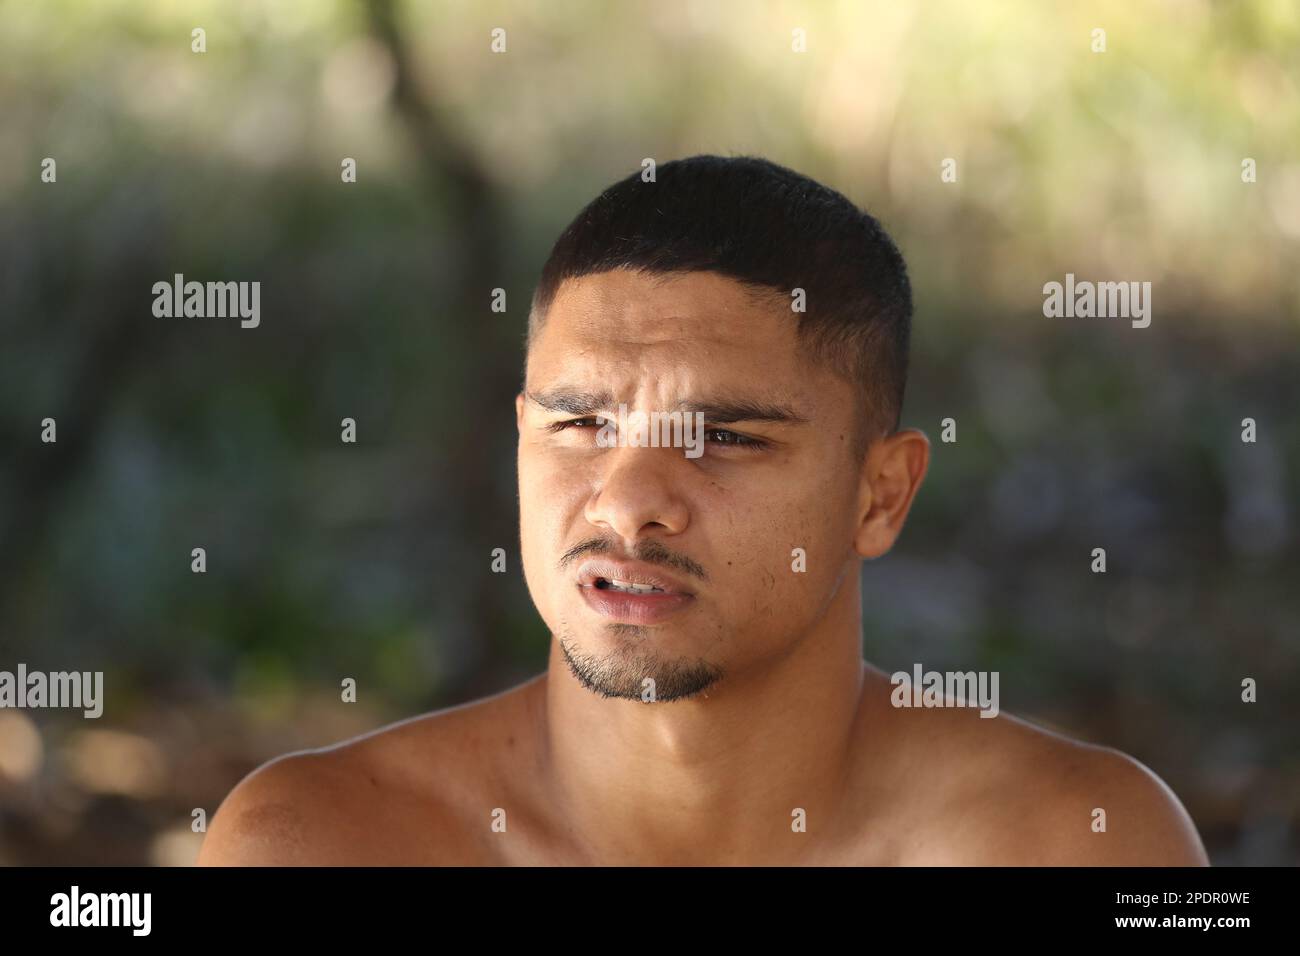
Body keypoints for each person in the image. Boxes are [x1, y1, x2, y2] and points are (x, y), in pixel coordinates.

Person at [198, 155, 1208, 865]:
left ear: (880, 492)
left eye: (725, 437)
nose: (628, 501)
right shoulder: (321, 843)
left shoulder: (1076, 845)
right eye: (580, 423)